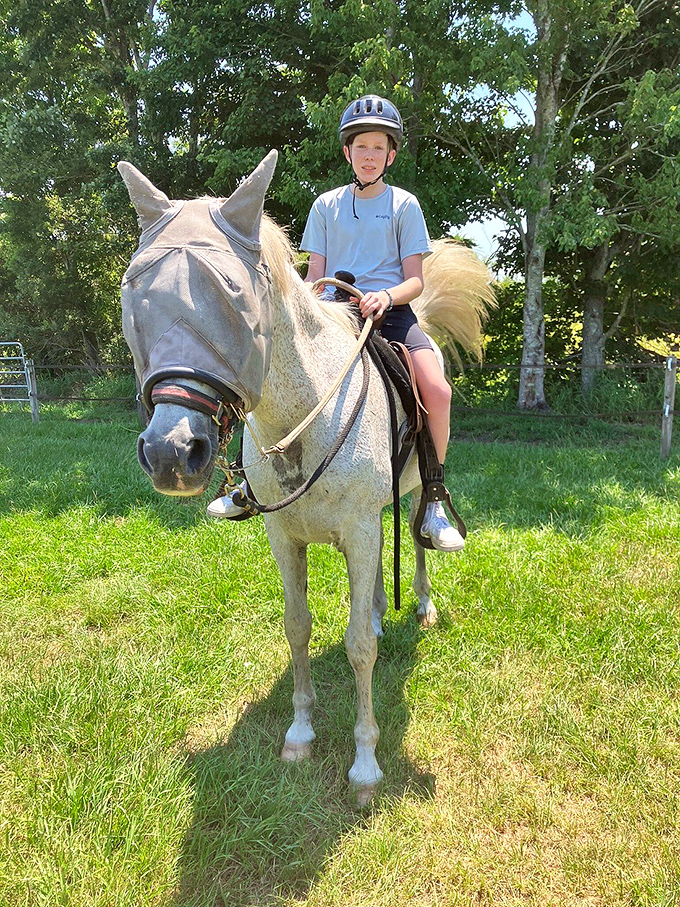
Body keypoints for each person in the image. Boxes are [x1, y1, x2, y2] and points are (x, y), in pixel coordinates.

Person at [208, 95, 463, 553]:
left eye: (378, 147)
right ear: (348, 152)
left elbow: (415, 281)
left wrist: (386, 295)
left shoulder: (405, 206)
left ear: (391, 154)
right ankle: (249, 482)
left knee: (437, 389)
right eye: (361, 146)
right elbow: (313, 274)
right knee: (266, 373)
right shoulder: (326, 205)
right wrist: (311, 303)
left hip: (389, 315)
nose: (369, 155)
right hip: (332, 312)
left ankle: (432, 494)